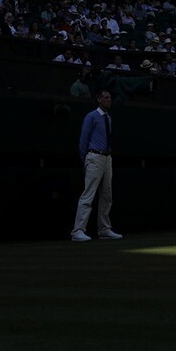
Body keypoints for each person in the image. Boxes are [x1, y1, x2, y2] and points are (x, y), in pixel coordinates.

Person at [72, 89, 122, 242]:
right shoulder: (91, 116)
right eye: (106, 98)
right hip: (94, 156)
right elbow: (83, 139)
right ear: (99, 100)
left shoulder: (108, 118)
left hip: (107, 158)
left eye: (110, 97)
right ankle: (78, 231)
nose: (109, 100)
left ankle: (104, 229)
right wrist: (86, 158)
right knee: (89, 194)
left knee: (107, 195)